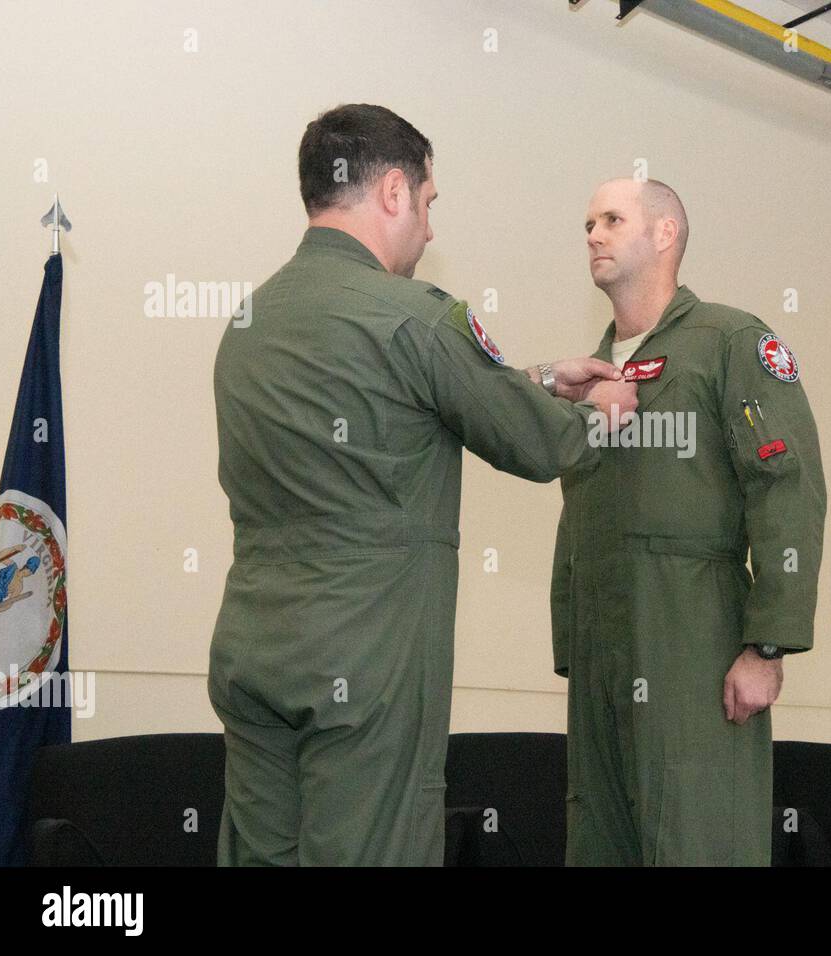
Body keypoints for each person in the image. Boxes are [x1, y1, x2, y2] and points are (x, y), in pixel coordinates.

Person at [209, 104, 635, 866]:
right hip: (367, 658)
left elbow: (391, 403)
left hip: (251, 652)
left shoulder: (249, 322)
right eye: (430, 204)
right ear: (396, 191)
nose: (431, 231)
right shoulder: (418, 316)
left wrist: (536, 377)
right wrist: (599, 414)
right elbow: (534, 444)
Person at [550, 177, 827, 865]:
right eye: (588, 223)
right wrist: (572, 637)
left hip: (692, 633)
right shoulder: (589, 370)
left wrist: (768, 644)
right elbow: (580, 509)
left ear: (665, 234)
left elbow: (786, 485)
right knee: (600, 837)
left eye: (612, 219)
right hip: (602, 646)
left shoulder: (729, 340)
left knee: (698, 832)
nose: (593, 234)